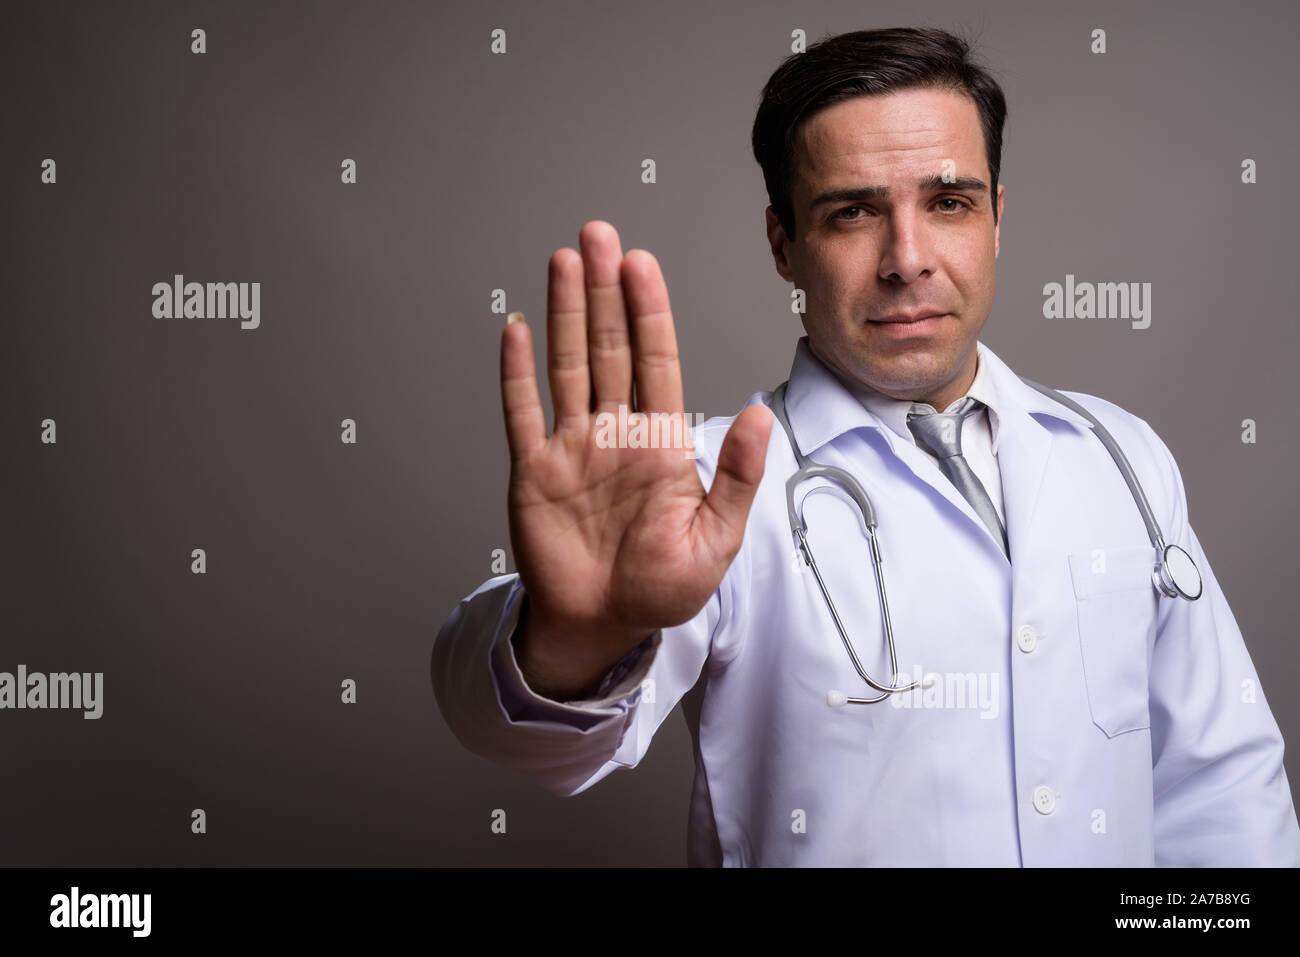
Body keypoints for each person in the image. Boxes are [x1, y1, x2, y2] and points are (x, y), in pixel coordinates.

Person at [431, 27, 1300, 866]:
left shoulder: (1121, 456)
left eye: (949, 202)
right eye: (853, 213)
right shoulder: (698, 491)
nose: (908, 259)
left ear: (996, 218)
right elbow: (528, 738)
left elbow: (1221, 783)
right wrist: (576, 638)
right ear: (785, 245)